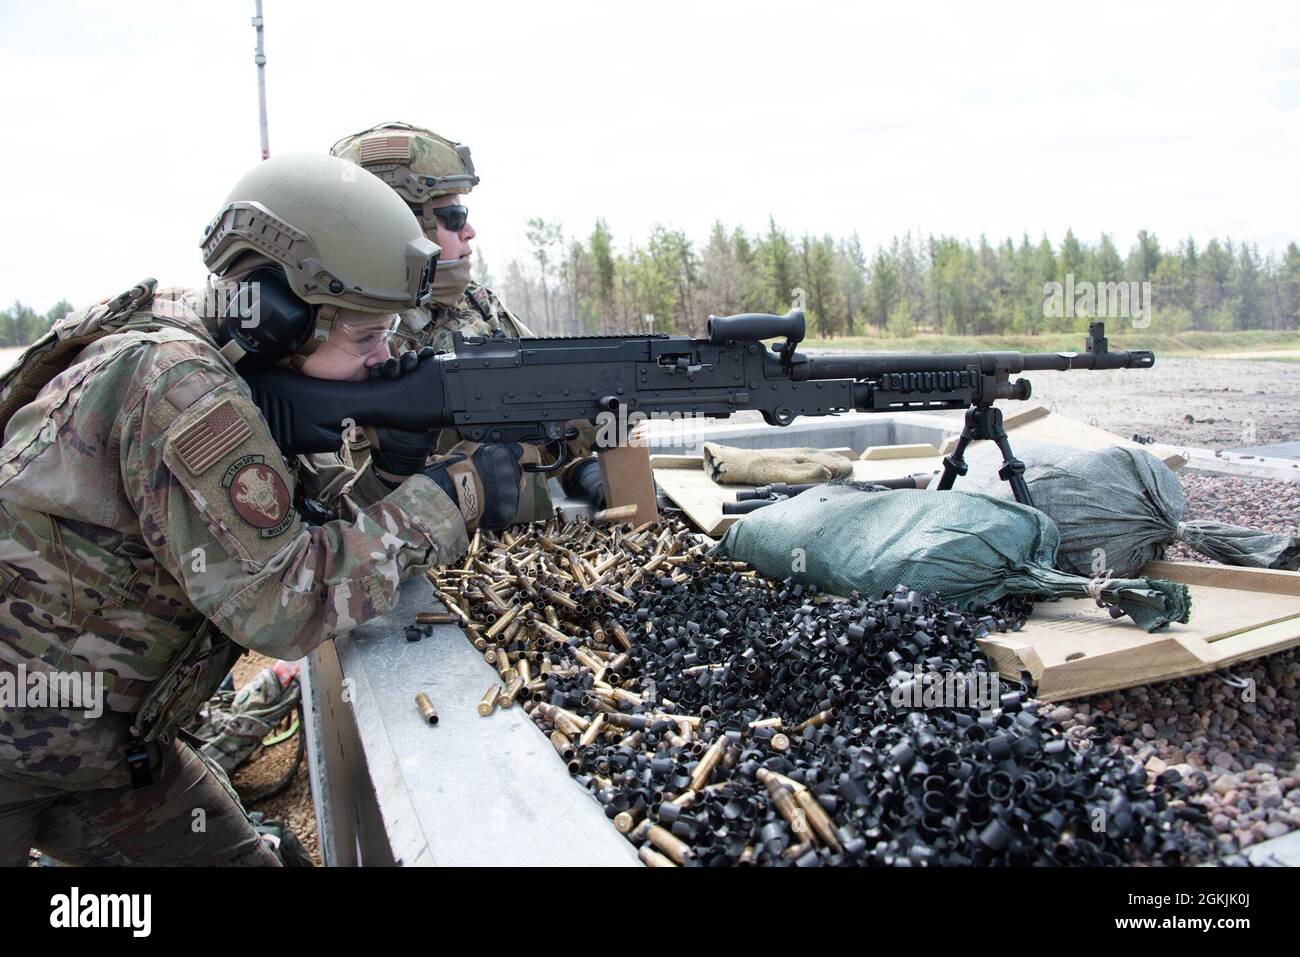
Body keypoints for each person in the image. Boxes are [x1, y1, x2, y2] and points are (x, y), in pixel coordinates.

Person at [0, 151, 528, 866]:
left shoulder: (240, 370)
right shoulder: (181, 387)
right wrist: (453, 497)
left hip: (98, 753)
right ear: (280, 319)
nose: (383, 359)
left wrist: (398, 468)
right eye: (365, 338)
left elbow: (301, 534)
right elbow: (285, 600)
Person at [330, 122, 603, 511]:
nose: (470, 231)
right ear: (398, 222)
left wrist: (581, 467)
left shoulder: (477, 305)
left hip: (509, 552)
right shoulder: (341, 339)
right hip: (407, 555)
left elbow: (548, 417)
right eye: (454, 218)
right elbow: (333, 514)